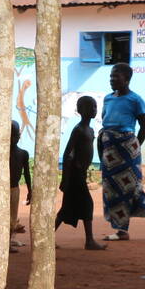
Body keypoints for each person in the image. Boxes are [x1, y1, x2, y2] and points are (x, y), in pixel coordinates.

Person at [98, 62, 145, 242]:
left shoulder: (136, 100)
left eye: (116, 76)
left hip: (128, 146)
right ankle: (121, 231)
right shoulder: (108, 98)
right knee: (112, 189)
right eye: (111, 77)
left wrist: (135, 147)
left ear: (127, 79)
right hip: (109, 148)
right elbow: (104, 123)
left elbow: (144, 126)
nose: (112, 80)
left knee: (134, 187)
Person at [55, 96, 106, 250]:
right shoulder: (78, 130)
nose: (94, 109)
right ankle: (89, 241)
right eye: (90, 106)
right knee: (86, 205)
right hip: (75, 175)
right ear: (79, 110)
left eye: (95, 106)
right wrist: (65, 179)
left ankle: (46, 237)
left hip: (81, 174)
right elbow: (67, 153)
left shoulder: (90, 130)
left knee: (66, 209)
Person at [0, 121, 31, 249]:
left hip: (14, 189)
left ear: (19, 136)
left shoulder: (23, 154)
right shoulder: (0, 151)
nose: (13, 138)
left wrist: (30, 191)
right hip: (0, 189)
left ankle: (8, 242)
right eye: (10, 135)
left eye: (15, 135)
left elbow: (27, 173)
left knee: (12, 217)